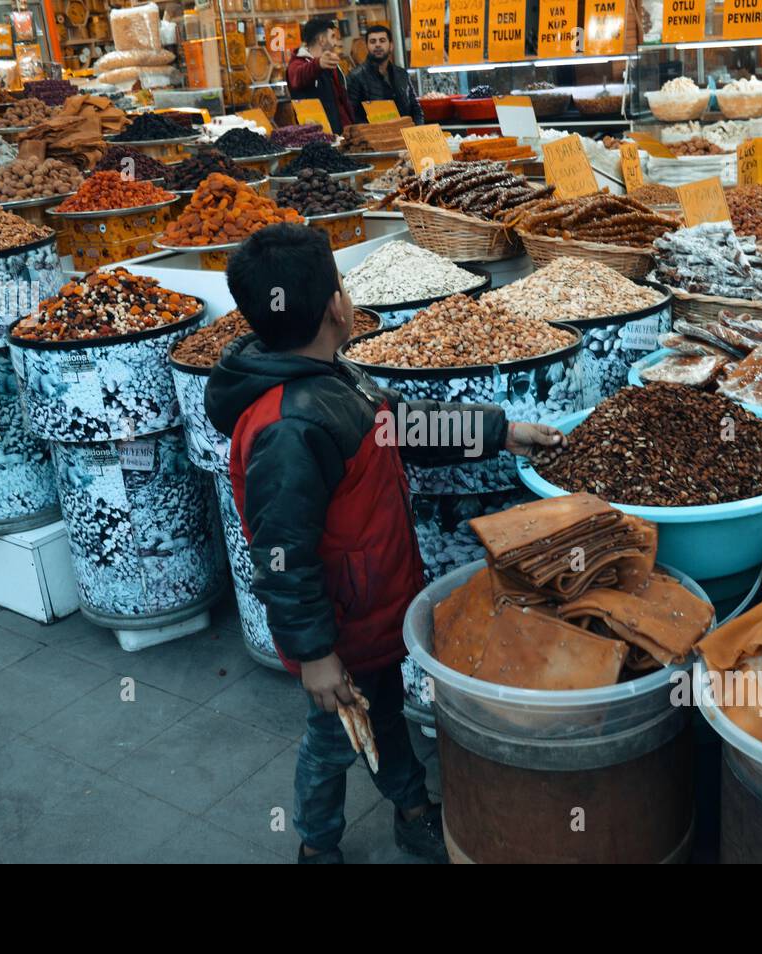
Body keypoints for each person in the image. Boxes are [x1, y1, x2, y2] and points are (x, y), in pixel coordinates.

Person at [206, 224, 564, 864]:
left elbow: (404, 426)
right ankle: (318, 844)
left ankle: (409, 806)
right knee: (335, 736)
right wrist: (315, 656)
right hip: (337, 625)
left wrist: (503, 432)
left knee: (385, 713)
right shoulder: (287, 426)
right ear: (337, 308)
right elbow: (281, 556)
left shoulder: (332, 380)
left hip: (374, 608)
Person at [286, 17, 354, 133]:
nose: (336, 42)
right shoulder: (297, 64)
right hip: (316, 141)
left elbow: (342, 103)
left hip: (340, 137)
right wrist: (318, 64)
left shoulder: (332, 66)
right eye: (332, 37)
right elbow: (298, 76)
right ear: (322, 40)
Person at [345, 25, 423, 125]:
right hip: (374, 137)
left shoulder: (402, 74)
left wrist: (416, 131)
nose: (377, 45)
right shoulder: (355, 77)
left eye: (382, 41)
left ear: (391, 46)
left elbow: (416, 109)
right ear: (367, 46)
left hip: (406, 135)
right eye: (373, 41)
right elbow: (351, 116)